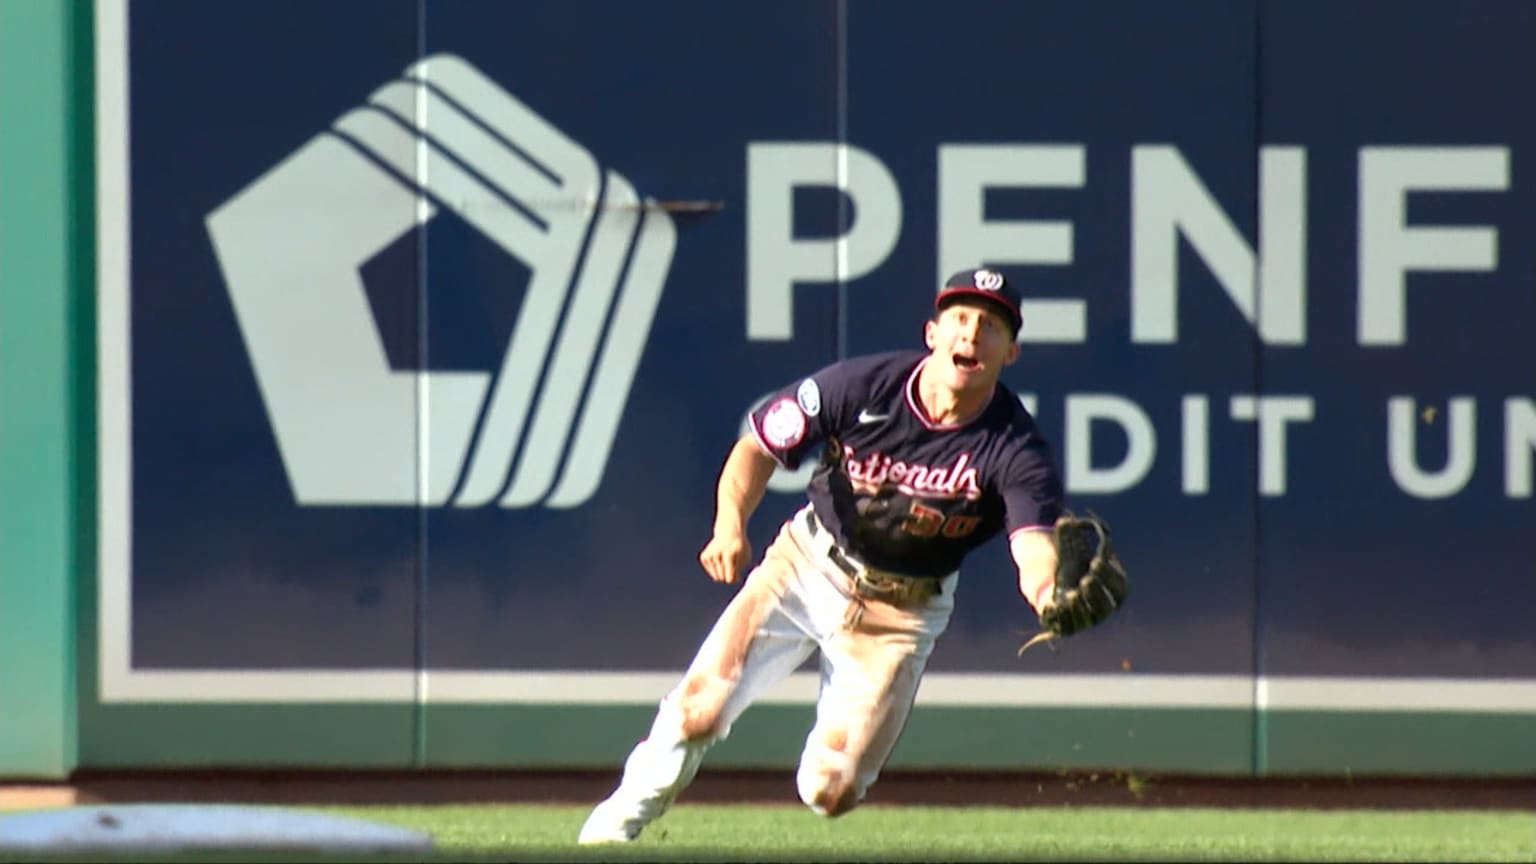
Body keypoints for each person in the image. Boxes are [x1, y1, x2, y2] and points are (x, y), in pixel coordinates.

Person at [578, 267, 1070, 844]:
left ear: (1010, 352)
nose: (972, 333)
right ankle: (612, 831)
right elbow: (757, 448)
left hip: (902, 612)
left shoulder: (1016, 447)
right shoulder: (861, 387)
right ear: (932, 333)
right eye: (960, 318)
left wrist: (1048, 594)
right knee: (699, 709)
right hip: (807, 565)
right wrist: (729, 525)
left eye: (991, 326)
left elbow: (1032, 543)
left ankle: (832, 763)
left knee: (830, 791)